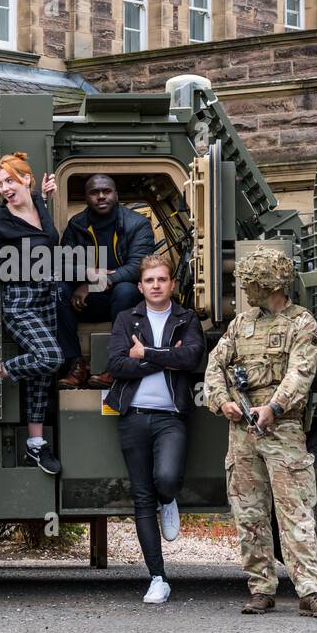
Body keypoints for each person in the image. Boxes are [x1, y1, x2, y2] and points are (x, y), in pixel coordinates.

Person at [203, 248, 317, 618]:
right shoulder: (240, 324)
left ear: (272, 284)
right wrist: (221, 402)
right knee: (249, 514)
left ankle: (310, 592)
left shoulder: (301, 324)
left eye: (251, 282)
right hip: (241, 430)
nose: (245, 288)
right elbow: (215, 365)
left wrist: (273, 408)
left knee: (295, 513)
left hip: (282, 429)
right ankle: (260, 589)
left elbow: (300, 373)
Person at [105, 255, 204, 605]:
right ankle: (157, 577)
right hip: (132, 415)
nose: (157, 285)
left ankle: (170, 498)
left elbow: (192, 359)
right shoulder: (125, 318)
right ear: (141, 286)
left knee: (166, 479)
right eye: (150, 280)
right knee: (141, 497)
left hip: (170, 416)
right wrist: (163, 358)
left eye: (162, 279)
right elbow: (116, 363)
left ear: (172, 285)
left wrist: (144, 353)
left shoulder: (186, 318)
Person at [0, 152, 63, 475]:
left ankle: (35, 444)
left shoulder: (38, 202)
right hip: (20, 300)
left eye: (10, 180)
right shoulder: (0, 223)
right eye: (0, 185)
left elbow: (45, 238)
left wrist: (46, 199)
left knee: (42, 374)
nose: (5, 188)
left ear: (26, 178)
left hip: (47, 297)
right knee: (51, 356)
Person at [55, 174, 155, 389]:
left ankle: (117, 364)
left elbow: (138, 267)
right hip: (85, 302)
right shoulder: (77, 225)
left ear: (116, 194)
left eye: (106, 191)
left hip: (123, 301)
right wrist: (88, 276)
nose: (101, 196)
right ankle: (75, 364)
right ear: (86, 198)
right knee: (58, 290)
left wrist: (95, 282)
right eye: (94, 192)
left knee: (127, 290)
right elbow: (62, 265)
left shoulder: (137, 224)